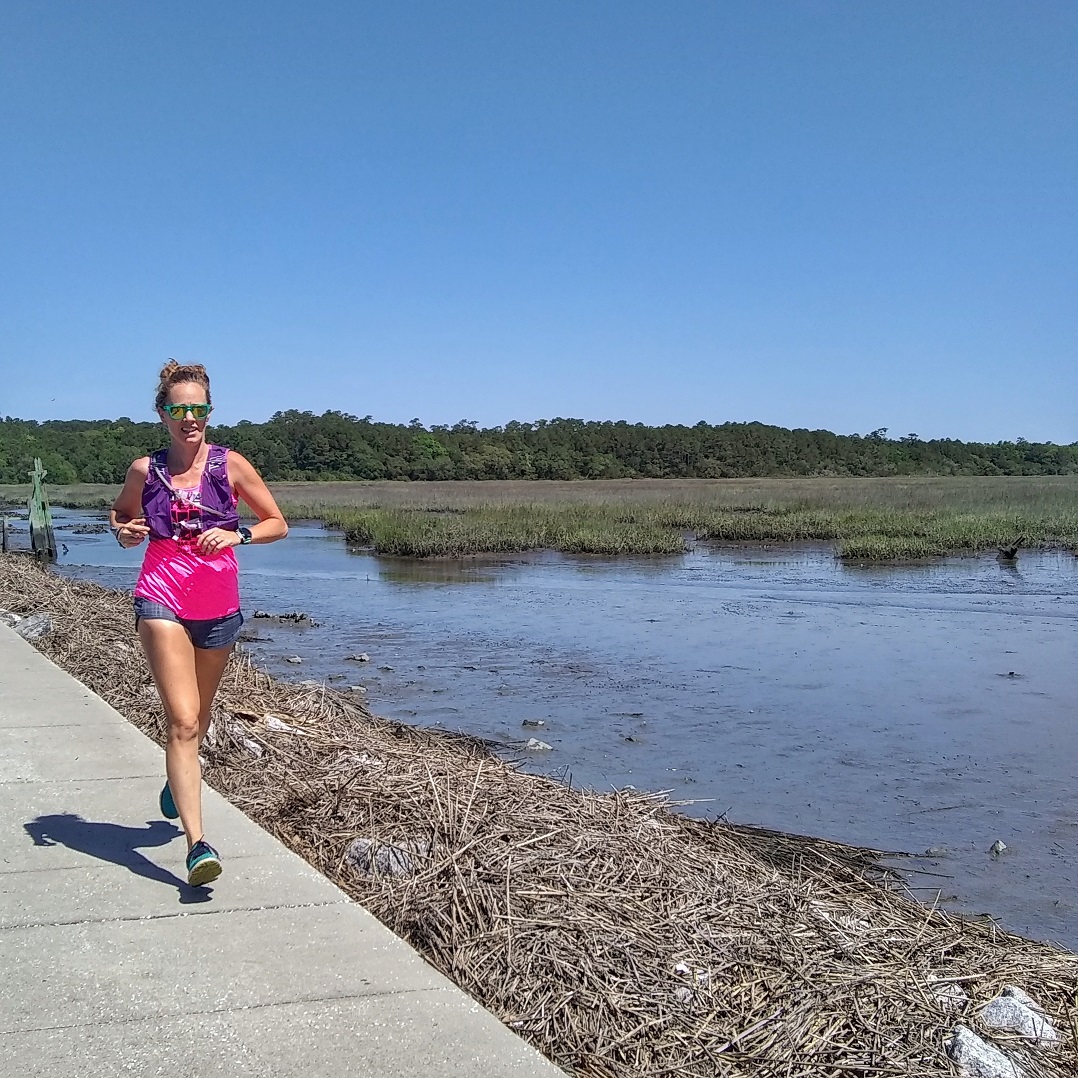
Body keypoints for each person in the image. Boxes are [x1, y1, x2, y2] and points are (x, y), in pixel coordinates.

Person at [110, 361, 287, 886]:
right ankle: (197, 845)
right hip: (160, 597)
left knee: (200, 718)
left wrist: (241, 536)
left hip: (218, 608)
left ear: (210, 411)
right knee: (184, 720)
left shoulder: (230, 465)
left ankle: (175, 780)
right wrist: (126, 532)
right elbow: (120, 516)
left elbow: (277, 522)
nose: (189, 418)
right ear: (162, 413)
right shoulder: (146, 470)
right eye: (178, 408)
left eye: (198, 408)